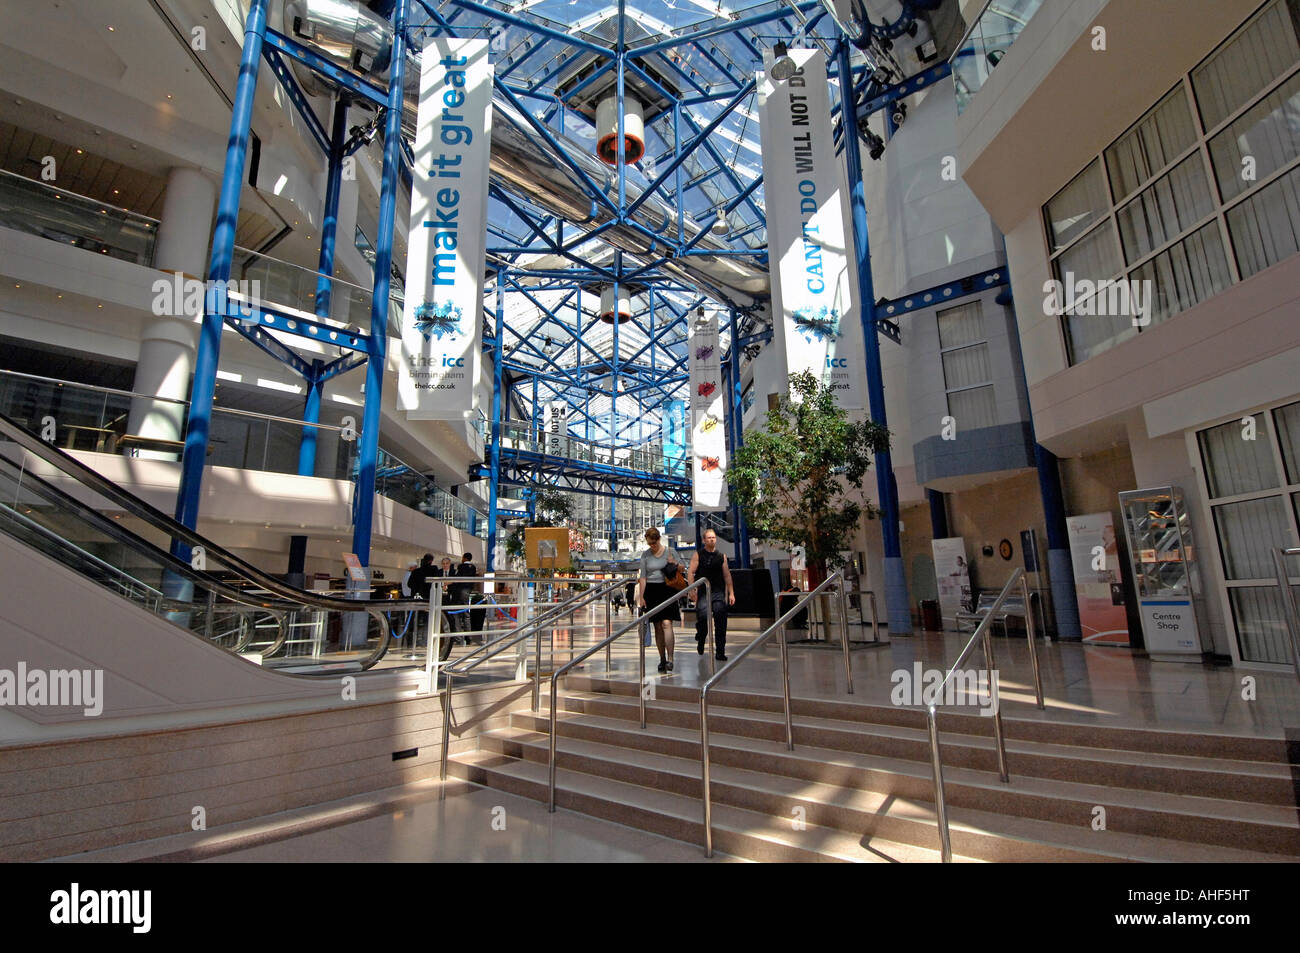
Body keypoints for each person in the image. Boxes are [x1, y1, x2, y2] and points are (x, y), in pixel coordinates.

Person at [636, 528, 683, 673]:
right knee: (657, 626)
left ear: (659, 539)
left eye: (654, 543)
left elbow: (682, 568)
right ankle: (662, 658)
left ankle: (670, 658)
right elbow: (643, 577)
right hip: (652, 591)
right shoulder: (645, 555)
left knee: (667, 623)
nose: (653, 546)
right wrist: (642, 597)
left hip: (667, 589)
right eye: (650, 544)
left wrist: (674, 563)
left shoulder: (670, 551)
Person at [687, 528, 735, 660]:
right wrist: (691, 590)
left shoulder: (721, 556)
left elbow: (727, 575)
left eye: (713, 537)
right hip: (703, 592)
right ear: (704, 540)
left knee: (720, 621)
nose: (712, 539)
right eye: (709, 538)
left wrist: (731, 593)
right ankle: (701, 638)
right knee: (702, 619)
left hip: (718, 592)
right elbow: (691, 572)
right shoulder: (698, 555)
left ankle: (720, 651)